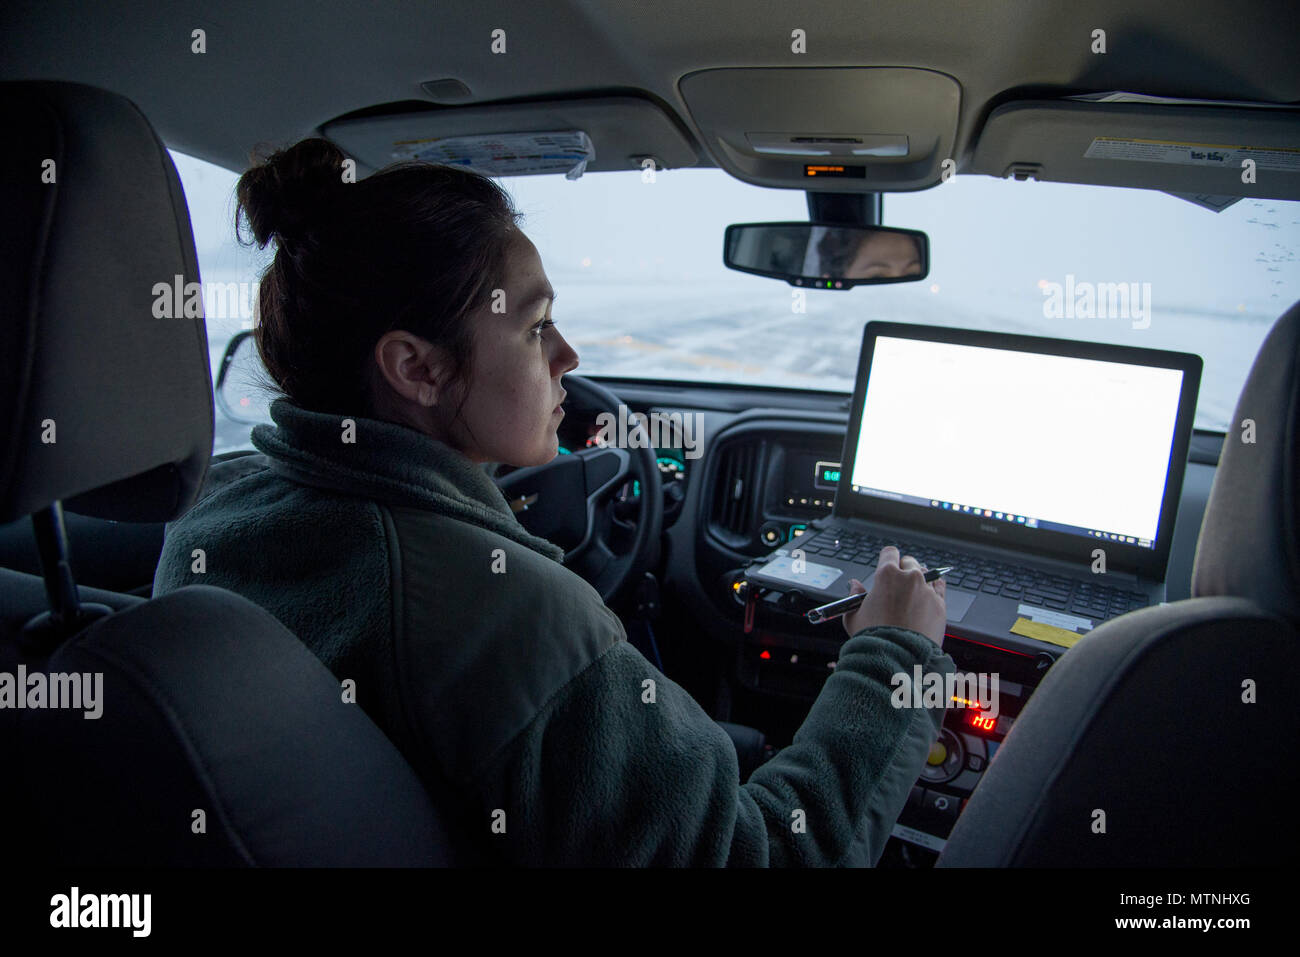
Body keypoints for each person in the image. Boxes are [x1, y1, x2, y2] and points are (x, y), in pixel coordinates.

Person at [153, 138, 955, 866]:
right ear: (416, 369)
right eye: (535, 326)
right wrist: (892, 655)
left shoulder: (215, 512)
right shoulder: (509, 616)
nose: (569, 355)